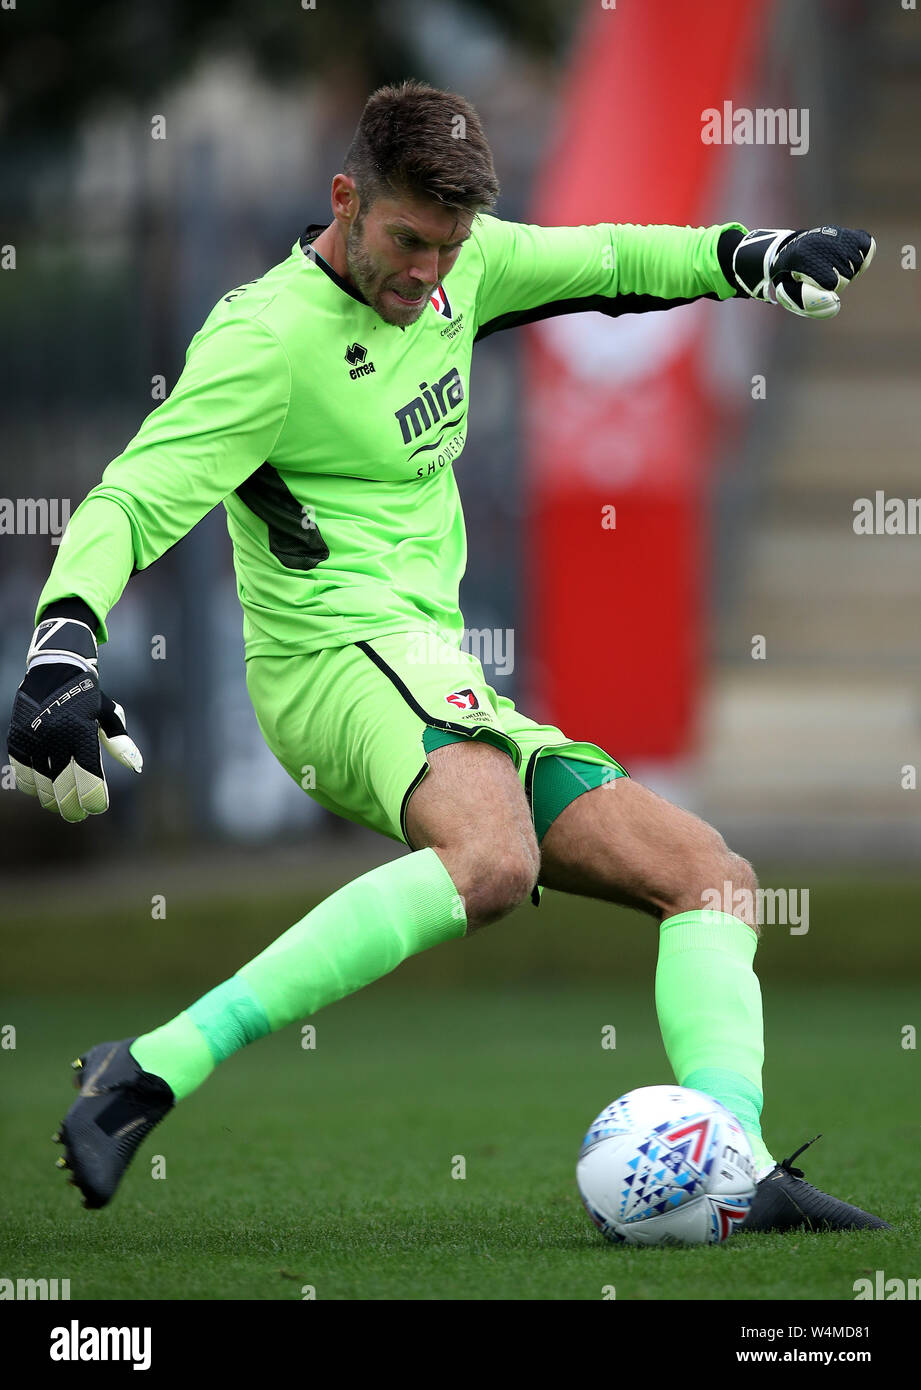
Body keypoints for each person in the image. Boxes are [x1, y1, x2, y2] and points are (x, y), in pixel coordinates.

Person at [7, 79, 884, 1234]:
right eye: (407, 240)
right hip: (329, 662)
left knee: (708, 877)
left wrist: (752, 252)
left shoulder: (460, 268)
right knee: (493, 859)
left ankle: (734, 1166)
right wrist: (63, 648)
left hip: (436, 668)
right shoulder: (265, 337)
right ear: (345, 200)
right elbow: (133, 495)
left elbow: (613, 261)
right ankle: (153, 1067)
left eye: (449, 245)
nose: (428, 272)